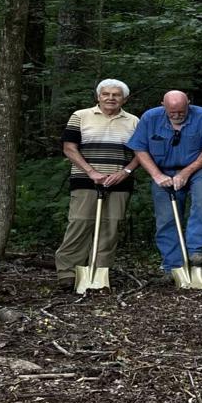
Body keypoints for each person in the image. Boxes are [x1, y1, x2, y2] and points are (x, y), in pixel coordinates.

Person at [54, 79, 140, 288]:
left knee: (111, 227)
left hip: (119, 183)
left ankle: (99, 273)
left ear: (124, 99)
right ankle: (68, 273)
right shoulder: (80, 116)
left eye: (116, 95)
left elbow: (141, 153)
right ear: (98, 97)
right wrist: (91, 172)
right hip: (85, 180)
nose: (111, 98)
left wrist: (125, 172)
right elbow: (69, 148)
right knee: (80, 223)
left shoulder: (134, 121)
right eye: (106, 94)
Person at [128, 90, 202, 271]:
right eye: (172, 112)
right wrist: (156, 175)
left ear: (188, 103)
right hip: (163, 170)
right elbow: (139, 149)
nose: (177, 115)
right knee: (166, 217)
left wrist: (187, 172)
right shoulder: (150, 118)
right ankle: (173, 266)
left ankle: (196, 252)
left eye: (181, 111)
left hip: (201, 167)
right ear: (163, 106)